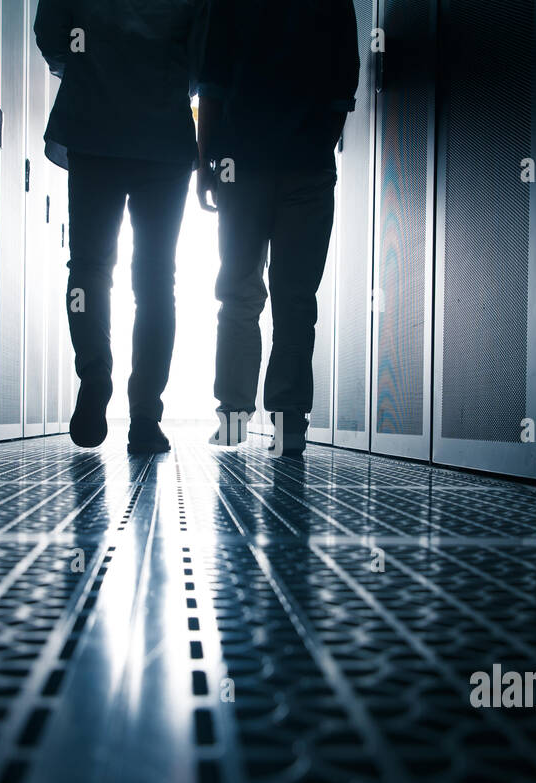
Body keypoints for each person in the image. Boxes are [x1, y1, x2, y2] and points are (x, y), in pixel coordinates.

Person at [35, 0, 208, 454]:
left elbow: (51, 32)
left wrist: (90, 70)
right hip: (163, 135)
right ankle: (145, 416)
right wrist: (168, 82)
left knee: (90, 266)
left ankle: (94, 373)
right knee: (155, 281)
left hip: (94, 128)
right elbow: (205, 50)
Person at [196, 0, 359, 457]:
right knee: (294, 297)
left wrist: (204, 161)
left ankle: (232, 419)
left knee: (239, 291)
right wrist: (315, 145)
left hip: (240, 161)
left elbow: (213, 79)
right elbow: (345, 81)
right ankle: (289, 424)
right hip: (305, 163)